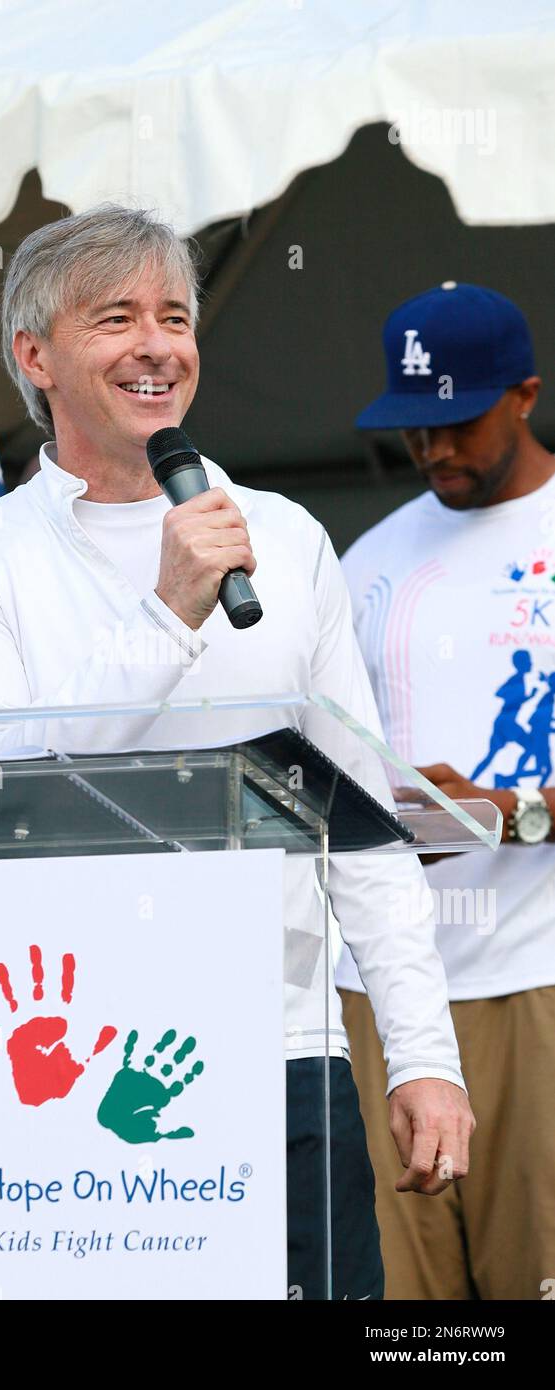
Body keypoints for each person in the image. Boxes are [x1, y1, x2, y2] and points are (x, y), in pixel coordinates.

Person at [0, 206, 475, 1299]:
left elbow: (359, 825)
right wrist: (166, 616)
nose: (157, 344)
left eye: (174, 316)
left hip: (281, 1049)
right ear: (35, 356)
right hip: (66, 1069)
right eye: (115, 317)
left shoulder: (287, 536)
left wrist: (422, 1055)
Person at [337, 281, 555, 1300]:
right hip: (381, 983)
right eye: (412, 429)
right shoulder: (366, 562)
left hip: (535, 973)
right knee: (397, 1307)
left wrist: (509, 810)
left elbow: (506, 803)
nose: (431, 452)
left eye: (455, 422)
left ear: (524, 393)